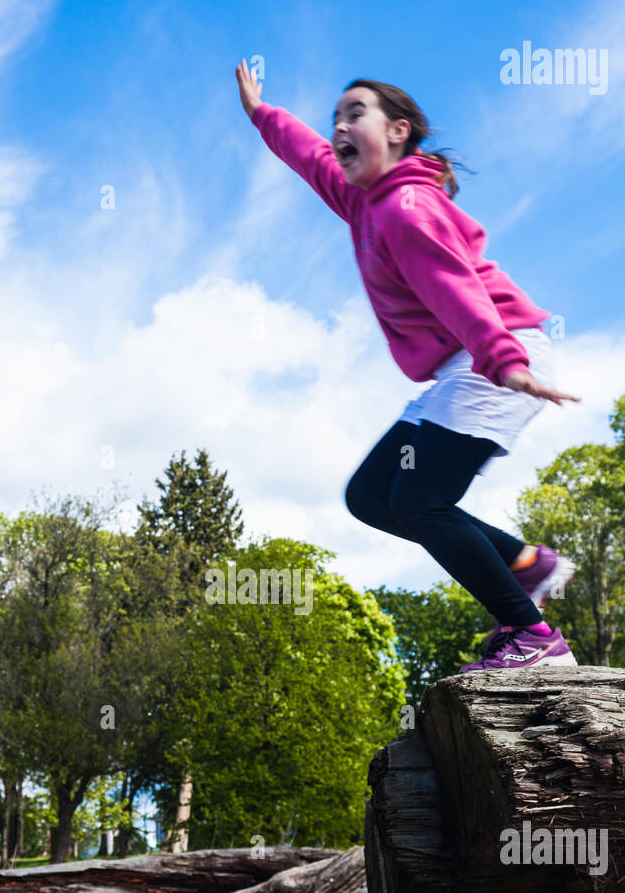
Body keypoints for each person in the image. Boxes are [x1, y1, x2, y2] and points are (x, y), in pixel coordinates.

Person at [236, 59, 579, 672]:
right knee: (372, 495)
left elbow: (456, 290)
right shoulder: (364, 198)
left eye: (355, 115)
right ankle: (527, 564)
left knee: (421, 502)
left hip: (495, 352)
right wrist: (264, 116)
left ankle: (534, 637)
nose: (339, 127)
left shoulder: (408, 210)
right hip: (464, 364)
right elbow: (311, 157)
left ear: (398, 131)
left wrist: (504, 360)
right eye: (336, 117)